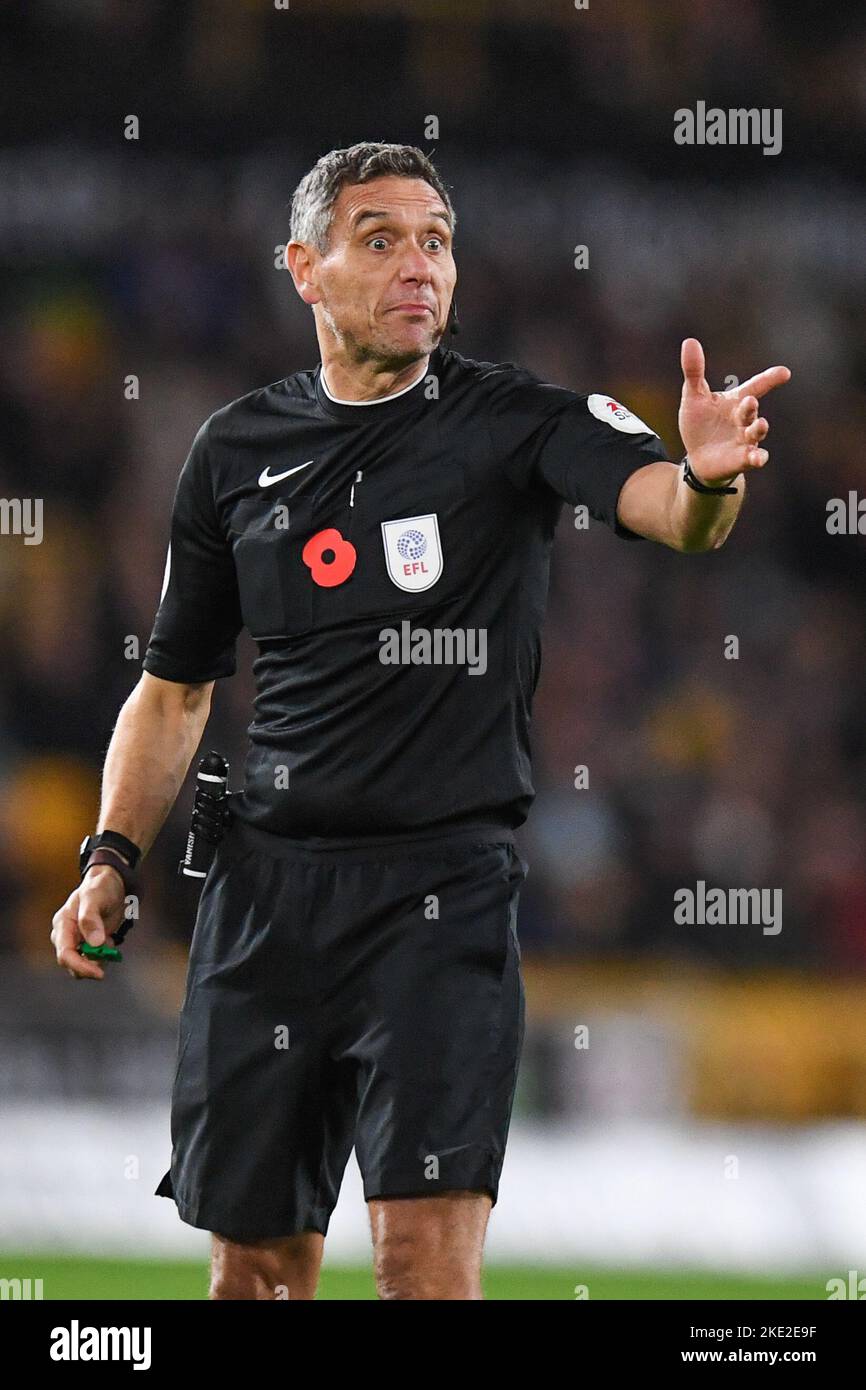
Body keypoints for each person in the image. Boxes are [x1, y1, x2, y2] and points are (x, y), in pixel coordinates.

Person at [51, 142, 790, 1300]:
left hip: (439, 898)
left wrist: (705, 479)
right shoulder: (234, 452)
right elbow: (176, 685)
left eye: (436, 240)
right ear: (304, 267)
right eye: (381, 237)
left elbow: (668, 513)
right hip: (267, 898)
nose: (419, 266)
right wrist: (107, 857)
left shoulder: (516, 420)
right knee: (252, 1272)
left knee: (422, 1266)